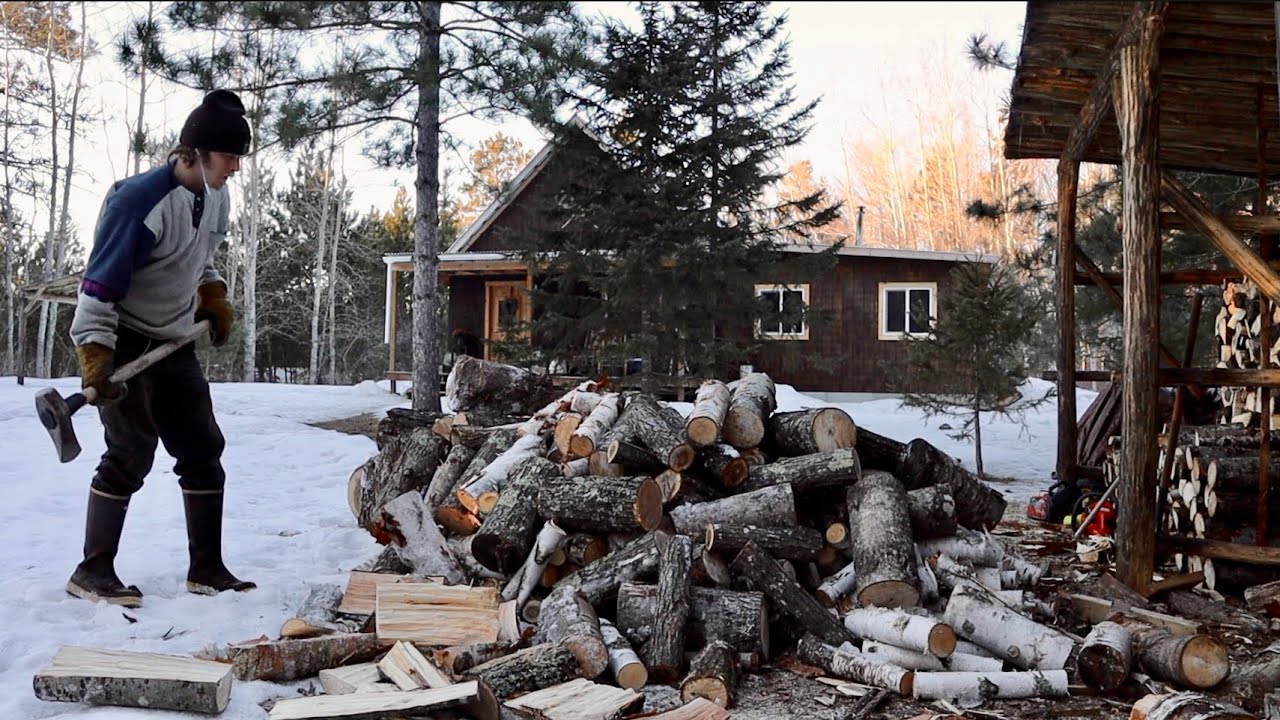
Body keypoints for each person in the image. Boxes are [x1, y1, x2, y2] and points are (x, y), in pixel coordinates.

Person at [65, 89, 256, 607]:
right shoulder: (137, 202)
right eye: (230, 156)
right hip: (124, 337)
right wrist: (97, 356)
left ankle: (207, 568)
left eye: (240, 157)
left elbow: (202, 256)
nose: (236, 167)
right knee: (130, 452)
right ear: (195, 151)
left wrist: (211, 295)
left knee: (202, 448)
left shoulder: (215, 194)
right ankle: (92, 571)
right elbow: (99, 286)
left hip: (173, 340)